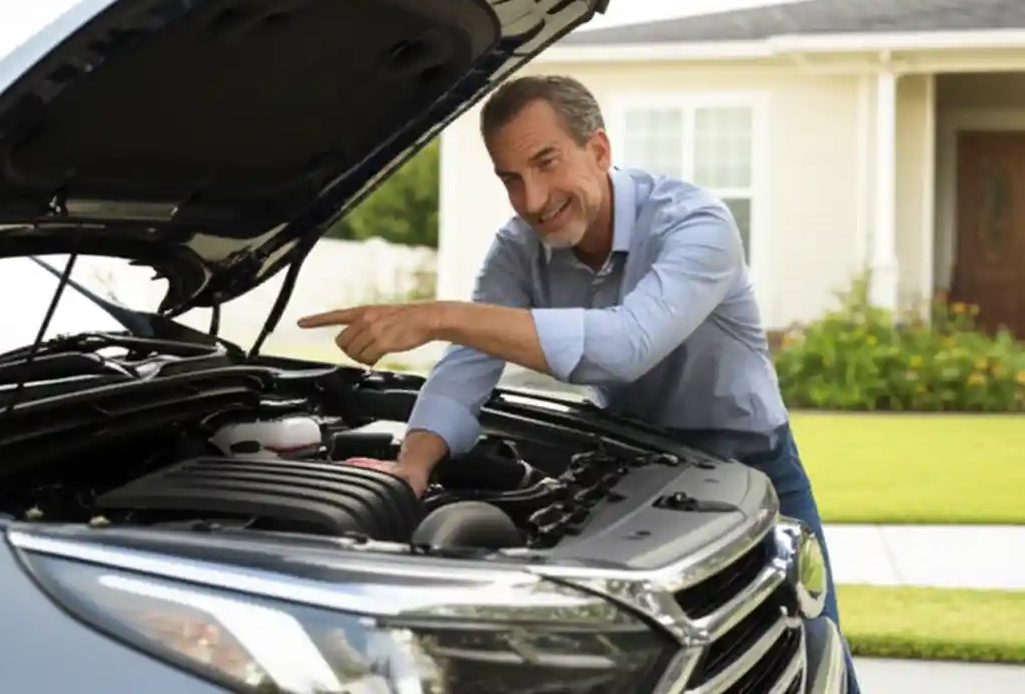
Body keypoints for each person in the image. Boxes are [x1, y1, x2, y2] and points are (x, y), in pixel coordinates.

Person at [298, 74, 859, 693]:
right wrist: (413, 464)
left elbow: (624, 346)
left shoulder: (695, 224)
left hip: (753, 470)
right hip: (637, 471)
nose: (533, 199)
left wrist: (435, 314)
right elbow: (468, 364)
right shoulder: (519, 251)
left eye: (545, 163)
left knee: (809, 646)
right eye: (511, 178)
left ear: (598, 150)